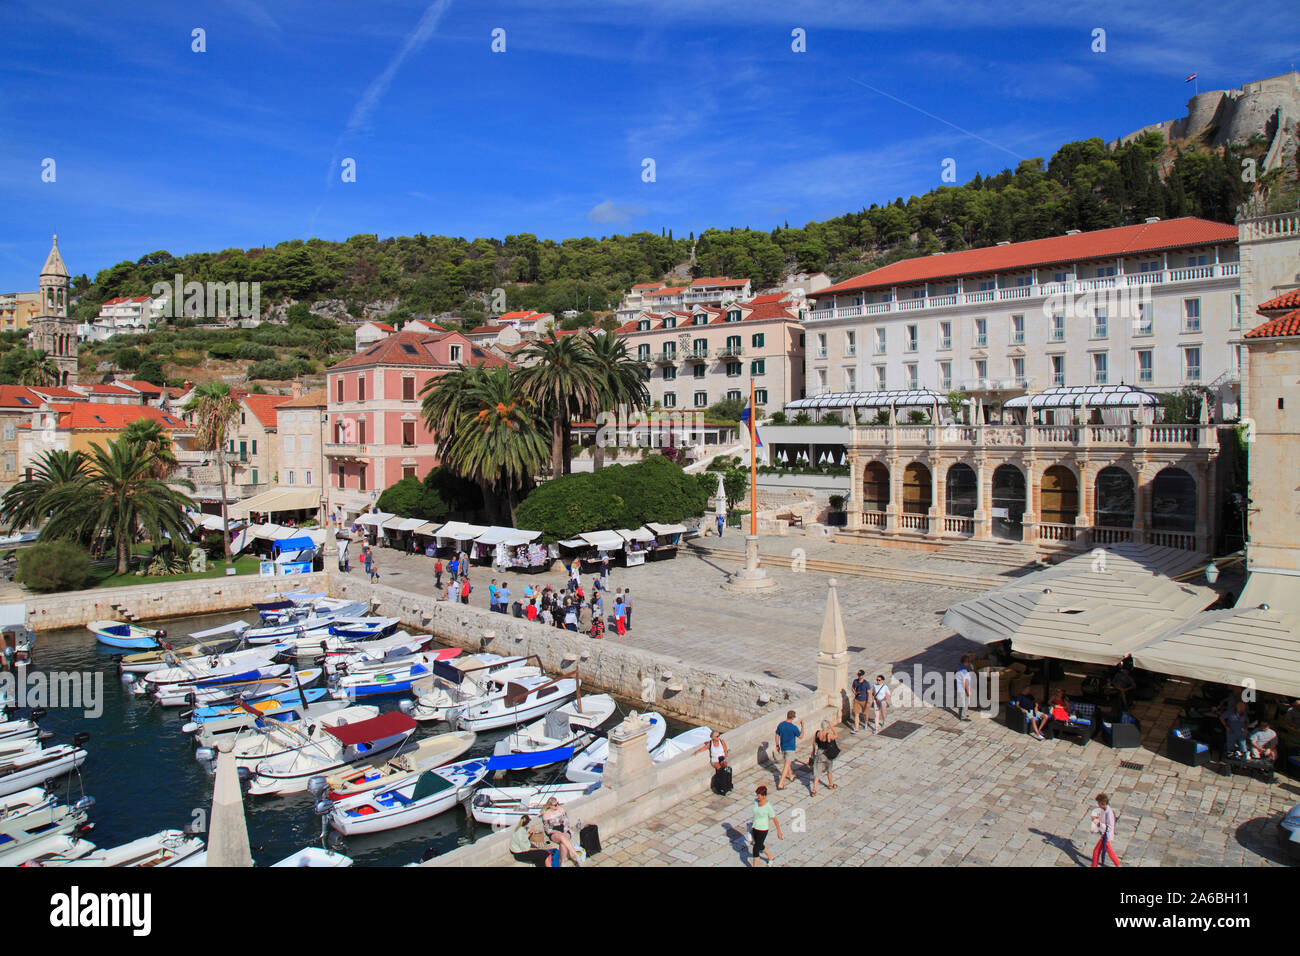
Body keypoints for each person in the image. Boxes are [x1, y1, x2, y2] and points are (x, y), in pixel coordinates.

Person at [540, 797, 581, 866]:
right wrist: (556, 832)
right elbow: (547, 830)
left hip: (563, 829)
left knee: (563, 843)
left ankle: (562, 862)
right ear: (550, 806)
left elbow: (566, 822)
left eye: (557, 804)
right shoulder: (546, 815)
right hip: (553, 832)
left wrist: (565, 831)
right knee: (562, 838)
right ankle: (575, 854)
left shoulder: (561, 810)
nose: (557, 806)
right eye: (555, 805)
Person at [750, 786, 781, 866]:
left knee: (755, 849)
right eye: (757, 795)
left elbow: (775, 819)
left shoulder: (768, 807)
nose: (757, 797)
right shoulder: (755, 802)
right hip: (755, 827)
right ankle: (770, 857)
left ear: (763, 795)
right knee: (760, 845)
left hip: (763, 829)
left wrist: (779, 832)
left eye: (759, 795)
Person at [1090, 793, 1121, 867]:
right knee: (1108, 851)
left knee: (1097, 851)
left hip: (1106, 836)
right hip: (1104, 834)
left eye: (1098, 803)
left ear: (1102, 803)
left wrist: (1097, 822)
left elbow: (1109, 827)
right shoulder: (1104, 810)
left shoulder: (1109, 813)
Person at [774, 710, 803, 790]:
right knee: (786, 765)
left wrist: (777, 745)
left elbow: (776, 735)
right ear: (793, 717)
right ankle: (780, 784)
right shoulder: (793, 727)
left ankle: (791, 776)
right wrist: (802, 726)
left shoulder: (781, 725)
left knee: (787, 762)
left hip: (783, 747)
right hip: (790, 748)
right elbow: (801, 736)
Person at [809, 720, 839, 795]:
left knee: (817, 773)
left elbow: (814, 743)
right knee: (829, 770)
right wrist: (833, 728)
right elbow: (836, 736)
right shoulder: (828, 735)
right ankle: (831, 784)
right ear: (827, 726)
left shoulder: (817, 733)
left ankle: (814, 790)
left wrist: (813, 751)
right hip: (827, 754)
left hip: (819, 753)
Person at [850, 670, 870, 734]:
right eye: (858, 675)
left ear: (863, 675)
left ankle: (866, 723)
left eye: (860, 675)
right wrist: (855, 693)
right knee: (856, 714)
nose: (859, 676)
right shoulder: (855, 681)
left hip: (864, 700)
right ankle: (857, 728)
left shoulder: (866, 683)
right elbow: (852, 688)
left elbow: (869, 693)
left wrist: (868, 702)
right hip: (857, 700)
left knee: (865, 713)